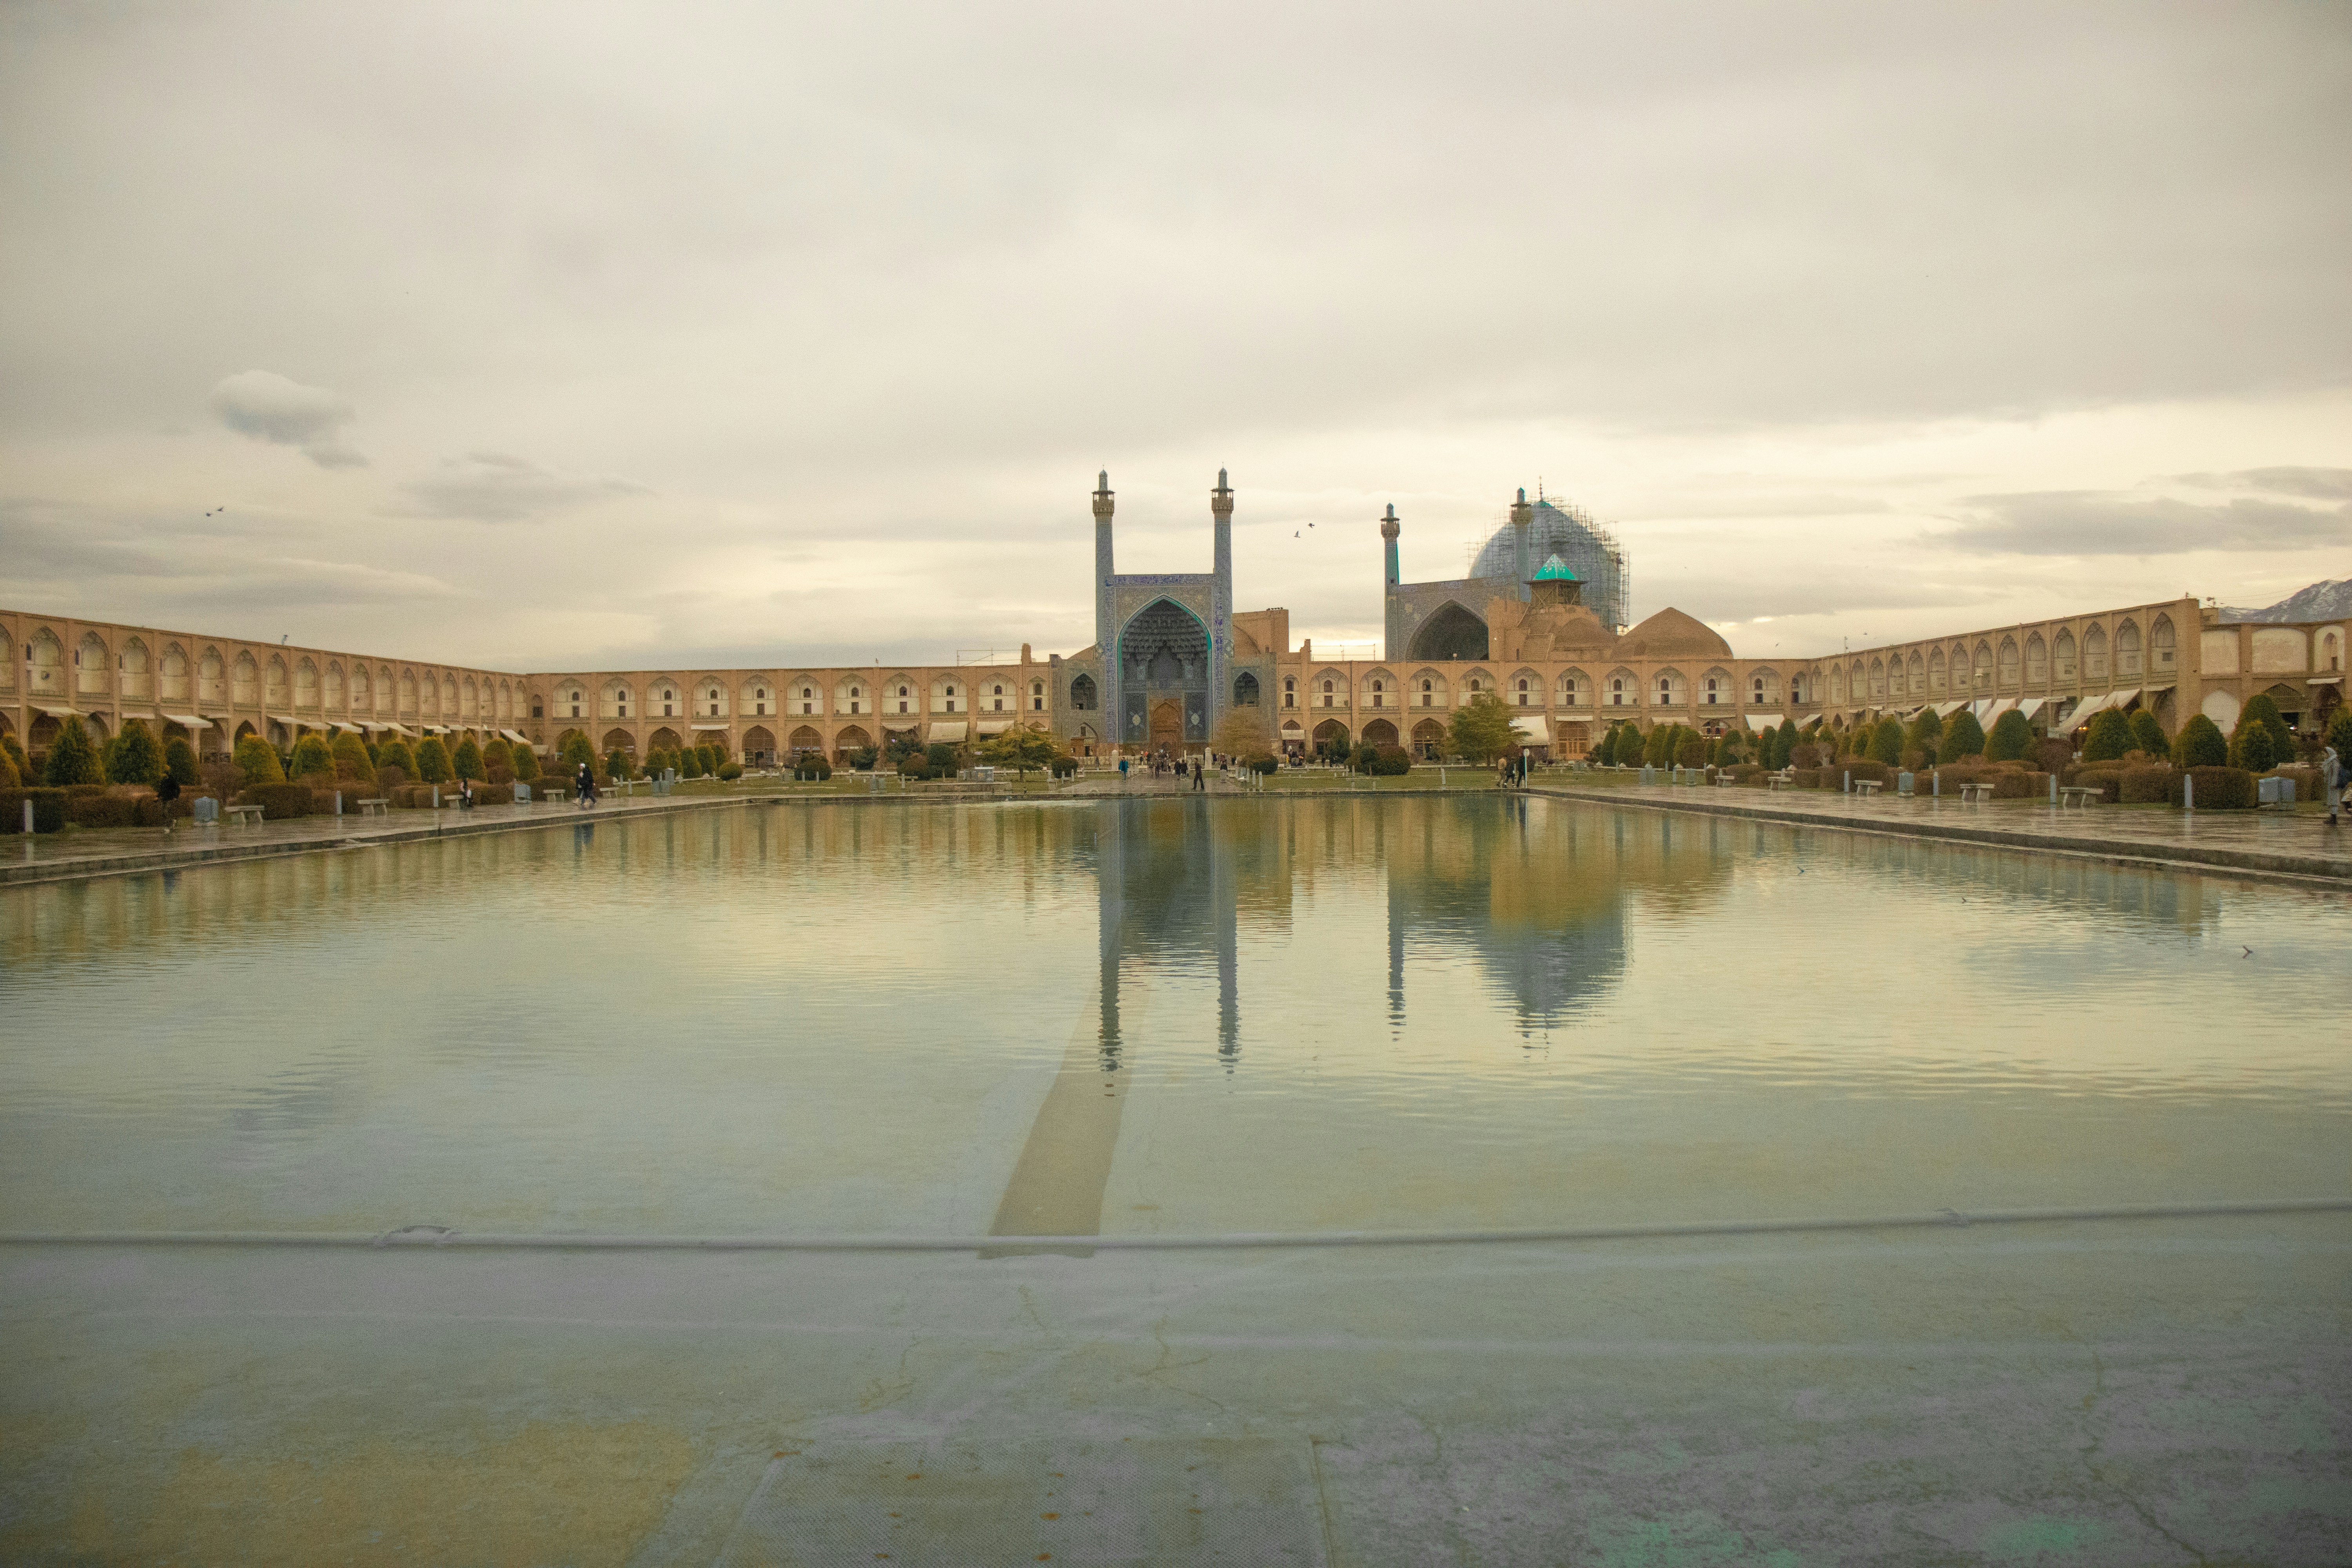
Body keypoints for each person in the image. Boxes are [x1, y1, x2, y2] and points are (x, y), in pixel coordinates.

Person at [155, 767, 180, 835]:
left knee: (166, 811)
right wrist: (157, 797)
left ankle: (168, 826)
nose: (162, 776)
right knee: (163, 813)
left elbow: (178, 789)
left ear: (166, 774)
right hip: (164, 799)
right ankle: (172, 822)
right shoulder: (163, 781)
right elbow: (161, 790)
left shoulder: (172, 780)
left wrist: (176, 797)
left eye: (163, 774)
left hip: (170, 798)